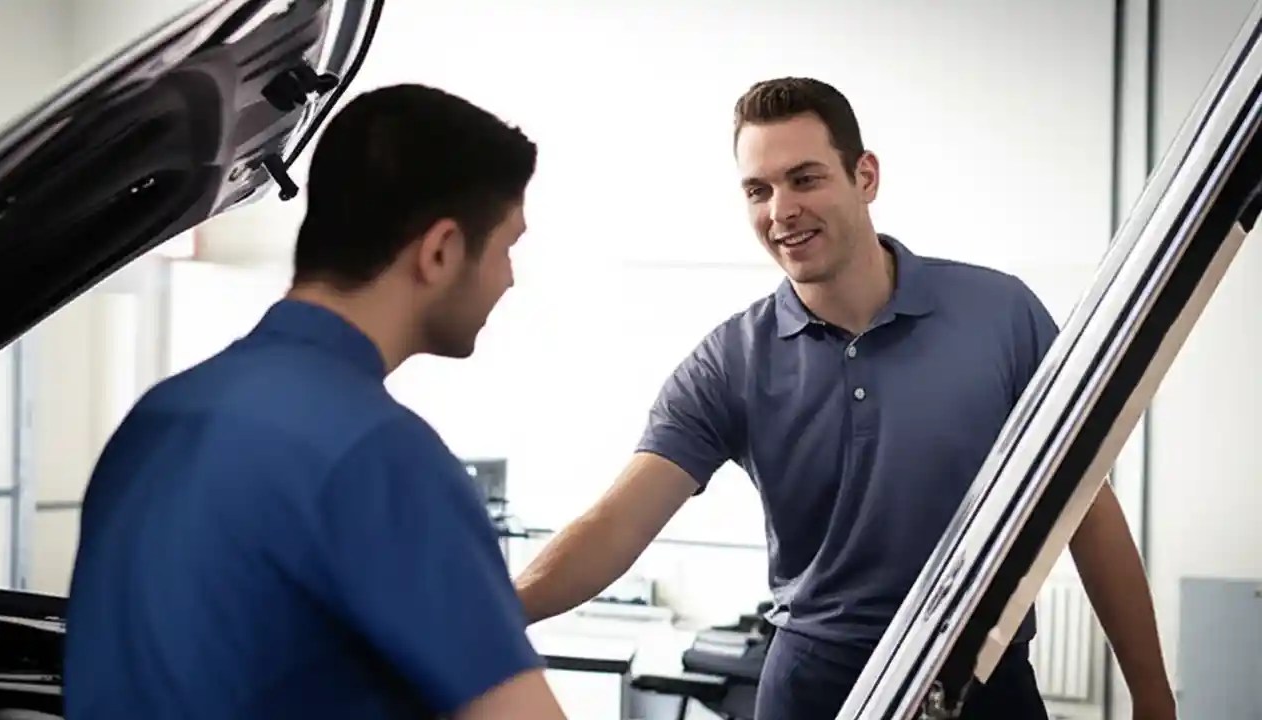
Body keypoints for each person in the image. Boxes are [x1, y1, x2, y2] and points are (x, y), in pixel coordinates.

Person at [514, 77, 1177, 719]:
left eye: (804, 179)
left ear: (865, 177)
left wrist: (1152, 696)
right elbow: (617, 524)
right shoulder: (730, 361)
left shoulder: (1001, 314)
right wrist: (490, 612)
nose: (781, 211)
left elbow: (1086, 505)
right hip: (816, 689)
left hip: (983, 679)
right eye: (758, 189)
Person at [63, 84, 566, 720]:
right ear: (440, 251)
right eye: (507, 247)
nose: (510, 277)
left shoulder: (155, 419)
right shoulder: (378, 455)